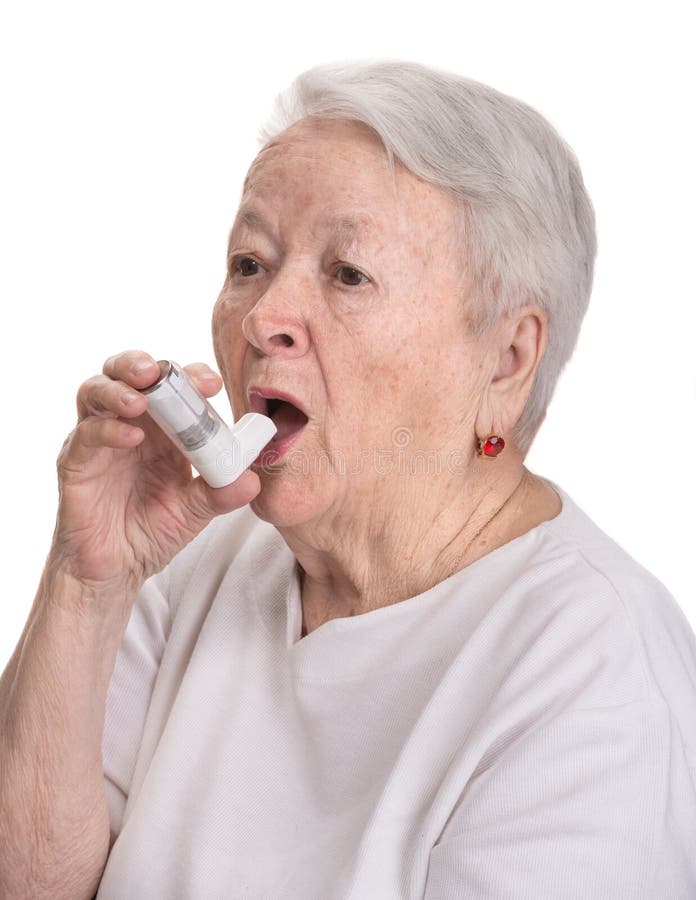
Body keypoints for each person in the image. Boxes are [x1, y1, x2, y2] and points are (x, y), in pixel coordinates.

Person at [1, 60, 694, 900]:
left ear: (506, 360)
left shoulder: (597, 677)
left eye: (347, 274)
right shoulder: (196, 559)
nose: (261, 320)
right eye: (250, 262)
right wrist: (85, 585)